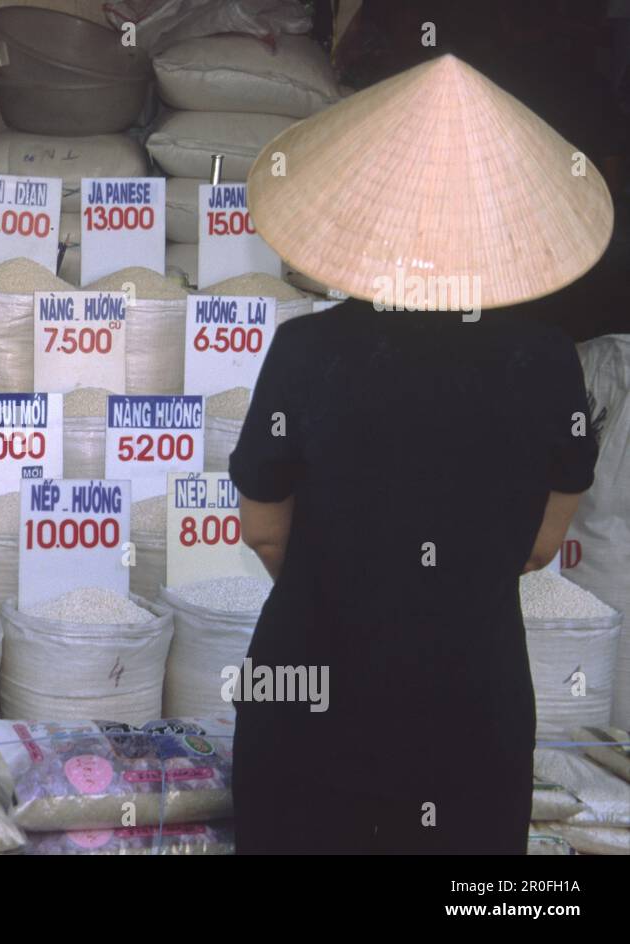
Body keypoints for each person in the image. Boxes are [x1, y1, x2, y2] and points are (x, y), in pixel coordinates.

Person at [229, 54, 609, 854]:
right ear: (506, 230)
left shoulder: (304, 351)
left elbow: (266, 532)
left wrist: (348, 583)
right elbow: (542, 543)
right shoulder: (547, 360)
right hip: (473, 700)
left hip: (307, 686)